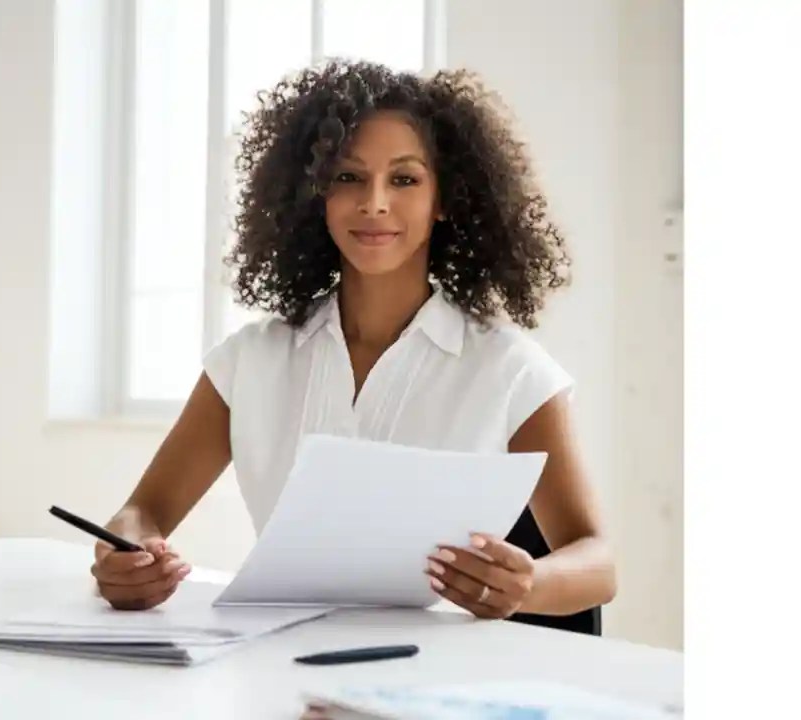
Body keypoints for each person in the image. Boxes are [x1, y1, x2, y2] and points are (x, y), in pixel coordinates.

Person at [90, 60, 616, 624]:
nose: (375, 203)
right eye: (348, 177)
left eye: (405, 179)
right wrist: (125, 556)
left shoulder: (511, 370)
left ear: (444, 199)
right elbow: (142, 512)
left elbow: (598, 563)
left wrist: (529, 585)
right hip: (284, 669)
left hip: (441, 685)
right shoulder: (250, 361)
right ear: (316, 195)